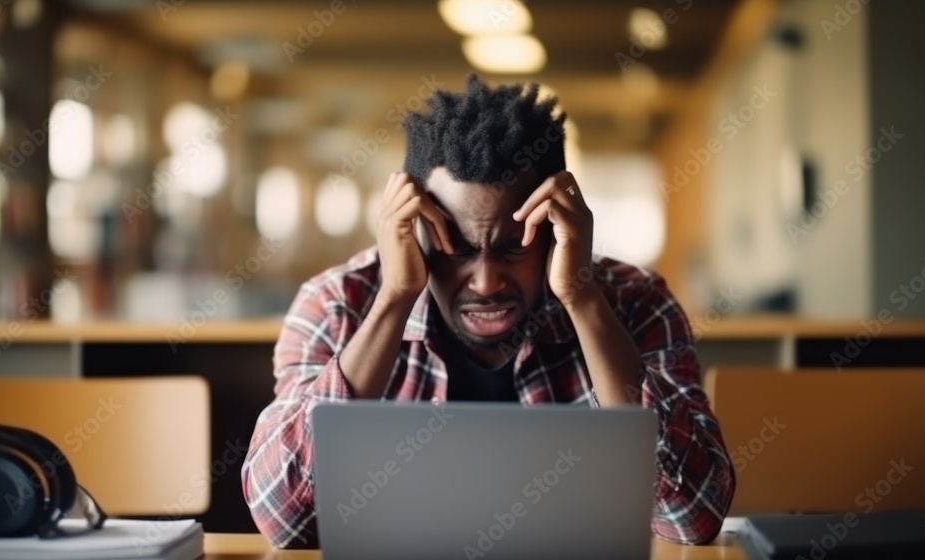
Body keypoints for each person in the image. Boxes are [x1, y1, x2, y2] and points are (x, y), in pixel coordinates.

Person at [242, 74, 735, 548]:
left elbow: (693, 516)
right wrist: (394, 297)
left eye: (513, 248)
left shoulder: (635, 301)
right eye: (454, 247)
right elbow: (283, 519)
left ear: (554, 229)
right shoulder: (336, 304)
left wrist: (582, 298)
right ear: (412, 228)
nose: (485, 281)